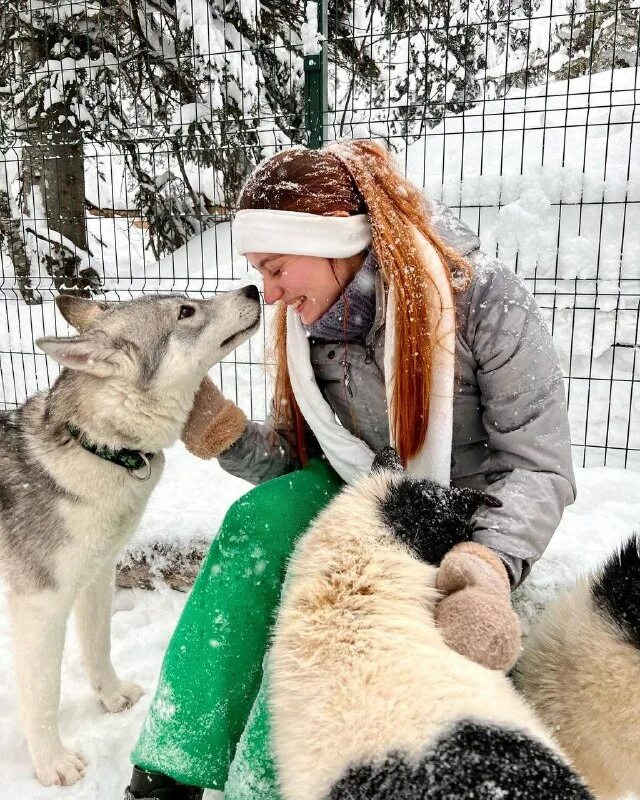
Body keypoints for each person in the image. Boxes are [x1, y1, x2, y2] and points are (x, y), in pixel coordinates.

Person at [124, 140, 575, 800]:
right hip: (362, 494)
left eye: (276, 268)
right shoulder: (310, 325)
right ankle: (173, 760)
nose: (270, 295)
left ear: (332, 242)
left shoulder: (483, 300)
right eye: (259, 272)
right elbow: (301, 458)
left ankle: (270, 785)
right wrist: (224, 432)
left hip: (458, 512)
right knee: (260, 519)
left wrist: (487, 568)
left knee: (338, 593)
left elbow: (539, 465)